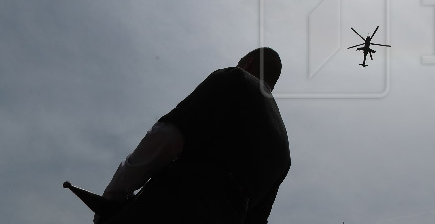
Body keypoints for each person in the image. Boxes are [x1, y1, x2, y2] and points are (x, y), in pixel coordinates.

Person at [96, 48, 291, 224]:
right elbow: (256, 220)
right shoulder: (284, 149)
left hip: (171, 209)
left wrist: (114, 194)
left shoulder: (235, 78)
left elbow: (167, 137)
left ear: (248, 63)